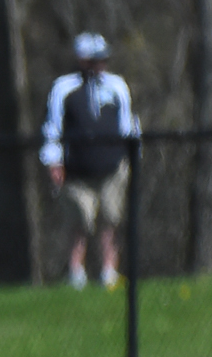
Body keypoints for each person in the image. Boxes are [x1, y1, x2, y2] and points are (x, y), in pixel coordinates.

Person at [40, 32, 139, 290]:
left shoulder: (116, 86)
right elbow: (53, 127)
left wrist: (132, 156)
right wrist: (54, 161)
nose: (100, 65)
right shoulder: (64, 88)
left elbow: (128, 124)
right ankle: (76, 272)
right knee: (79, 220)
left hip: (111, 167)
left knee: (110, 217)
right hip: (76, 170)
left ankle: (109, 270)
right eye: (94, 60)